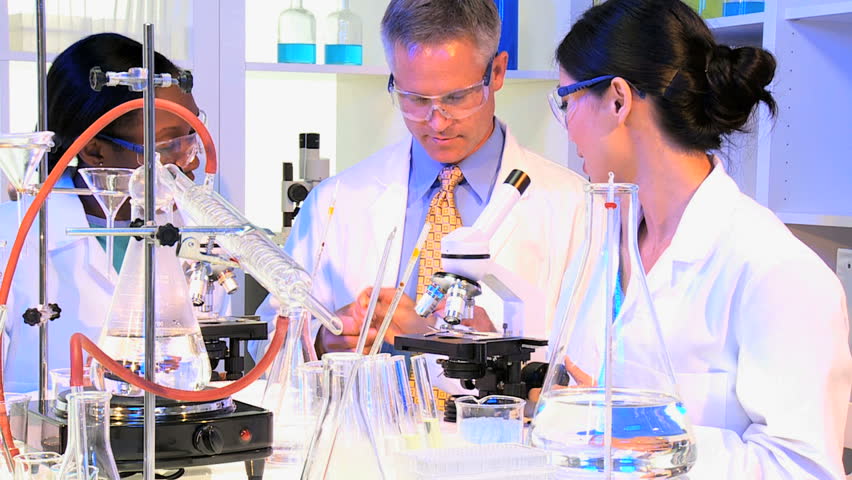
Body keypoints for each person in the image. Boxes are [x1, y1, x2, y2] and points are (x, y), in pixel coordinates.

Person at [543, 0, 852, 477]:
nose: (567, 126)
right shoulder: (603, 246)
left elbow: (802, 468)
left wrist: (647, 438)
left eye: (567, 101)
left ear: (618, 100)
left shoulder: (776, 271)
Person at [255, 0, 587, 389]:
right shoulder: (337, 199)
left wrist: (488, 351)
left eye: (456, 98)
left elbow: (594, 374)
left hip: (504, 429)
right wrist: (324, 341)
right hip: (369, 427)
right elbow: (265, 348)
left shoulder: (574, 206)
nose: (437, 122)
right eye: (414, 99)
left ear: (496, 72)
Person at [0, 33, 204, 393]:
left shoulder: (193, 232)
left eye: (193, 135)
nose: (192, 161)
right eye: (170, 144)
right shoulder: (13, 238)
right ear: (95, 152)